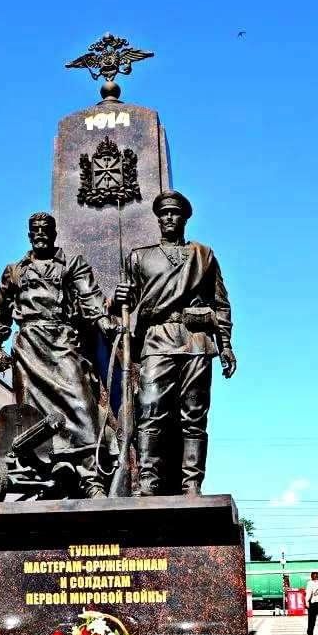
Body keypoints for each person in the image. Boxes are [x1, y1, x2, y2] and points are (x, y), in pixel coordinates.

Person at [0, 212, 120, 498]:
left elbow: (90, 297)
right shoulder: (14, 271)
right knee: (35, 416)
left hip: (62, 340)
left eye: (45, 229)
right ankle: (52, 474)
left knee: (81, 405)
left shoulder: (72, 264)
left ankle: (91, 475)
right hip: (28, 347)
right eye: (35, 230)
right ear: (28, 235)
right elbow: (0, 313)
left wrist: (105, 321)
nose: (40, 234)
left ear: (55, 233)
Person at [114, 190, 236, 495]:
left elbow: (221, 304)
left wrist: (226, 345)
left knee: (194, 415)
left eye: (175, 213)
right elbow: (121, 308)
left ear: (185, 218)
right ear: (158, 219)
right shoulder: (139, 257)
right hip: (157, 340)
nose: (169, 218)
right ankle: (148, 483)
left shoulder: (203, 255)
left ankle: (191, 484)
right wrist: (117, 301)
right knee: (150, 410)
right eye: (164, 214)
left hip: (196, 341)